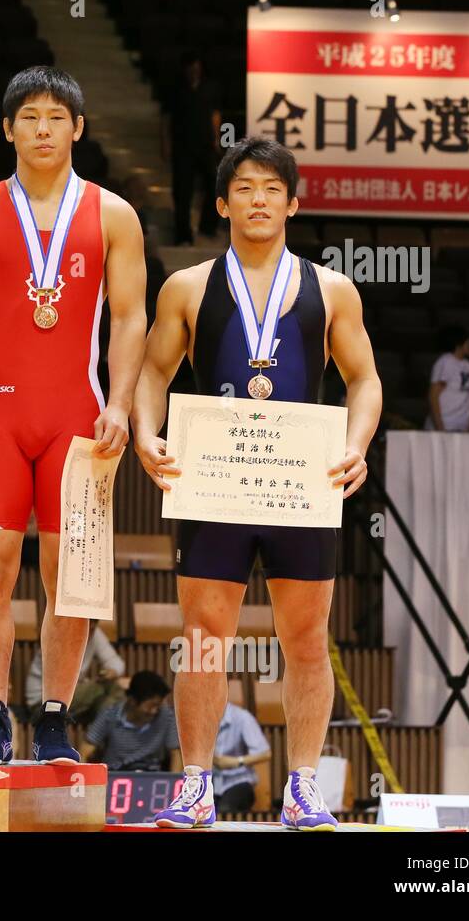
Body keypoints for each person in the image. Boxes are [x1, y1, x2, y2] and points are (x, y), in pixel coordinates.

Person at [133, 135, 382, 830]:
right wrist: (149, 435)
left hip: (300, 481)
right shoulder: (186, 287)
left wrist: (356, 445)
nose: (258, 199)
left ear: (294, 203)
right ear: (222, 204)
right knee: (204, 634)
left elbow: (364, 379)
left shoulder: (332, 290)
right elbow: (153, 373)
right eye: (244, 188)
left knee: (307, 638)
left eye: (272, 188)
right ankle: (194, 784)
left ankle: (303, 783)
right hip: (213, 481)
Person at [0, 66, 147, 765]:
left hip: (77, 419)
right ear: (8, 129)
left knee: (70, 573)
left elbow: (130, 315)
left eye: (56, 116)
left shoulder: (113, 214)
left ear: (78, 127)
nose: (43, 128)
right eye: (29, 116)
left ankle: (54, 715)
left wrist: (119, 403)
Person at [165, 52, 221, 245]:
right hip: (183, 146)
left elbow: (215, 114)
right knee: (182, 192)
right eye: (190, 68)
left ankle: (207, 226)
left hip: (205, 145)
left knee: (215, 184)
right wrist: (166, 144)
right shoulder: (176, 89)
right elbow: (166, 119)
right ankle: (183, 234)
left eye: (197, 67)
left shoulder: (210, 88)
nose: (194, 71)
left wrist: (217, 140)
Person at [24, 623, 125, 724]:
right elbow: (62, 685)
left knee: (106, 700)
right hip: (42, 703)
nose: (89, 632)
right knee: (103, 687)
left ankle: (104, 729)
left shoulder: (94, 634)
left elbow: (116, 662)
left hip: (69, 699)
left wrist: (112, 671)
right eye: (85, 626)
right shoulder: (59, 636)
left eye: (92, 628)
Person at [79, 670, 178, 770]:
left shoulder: (167, 716)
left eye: (158, 706)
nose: (154, 711)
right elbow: (86, 749)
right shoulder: (109, 714)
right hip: (115, 773)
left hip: (152, 775)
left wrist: (176, 783)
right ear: (132, 700)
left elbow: (176, 754)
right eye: (150, 706)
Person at [210, 700, 272, 814]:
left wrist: (237, 761)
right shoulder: (202, 717)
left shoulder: (242, 717)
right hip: (210, 782)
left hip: (238, 781)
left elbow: (265, 753)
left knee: (225, 811)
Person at [425, 325, 469, 432]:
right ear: (459, 344)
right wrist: (440, 427)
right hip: (446, 426)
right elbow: (433, 396)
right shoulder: (446, 362)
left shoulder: (468, 366)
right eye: (467, 341)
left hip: (462, 428)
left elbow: (466, 398)